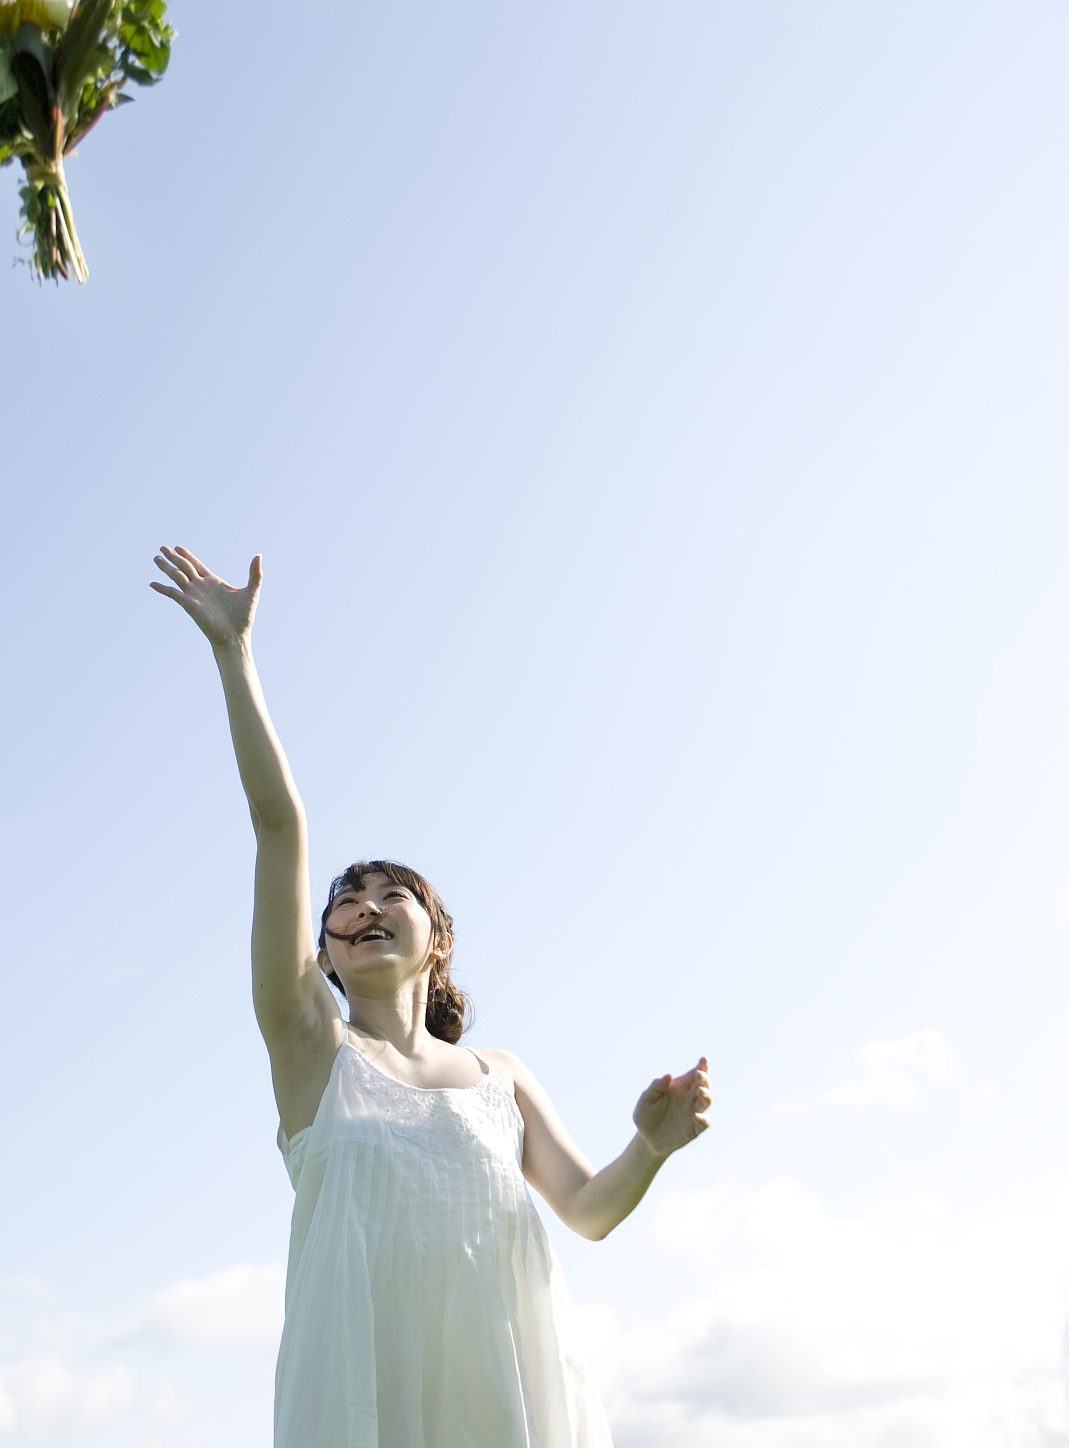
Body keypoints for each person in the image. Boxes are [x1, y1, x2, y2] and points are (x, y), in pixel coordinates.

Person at [150, 545, 711, 1448]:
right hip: (362, 1412)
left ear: (438, 940)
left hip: (502, 1407)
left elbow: (590, 1212)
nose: (364, 906)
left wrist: (648, 1147)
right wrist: (234, 653)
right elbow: (277, 825)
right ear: (324, 951)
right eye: (345, 900)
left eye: (391, 894)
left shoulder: (501, 1074)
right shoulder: (311, 1050)